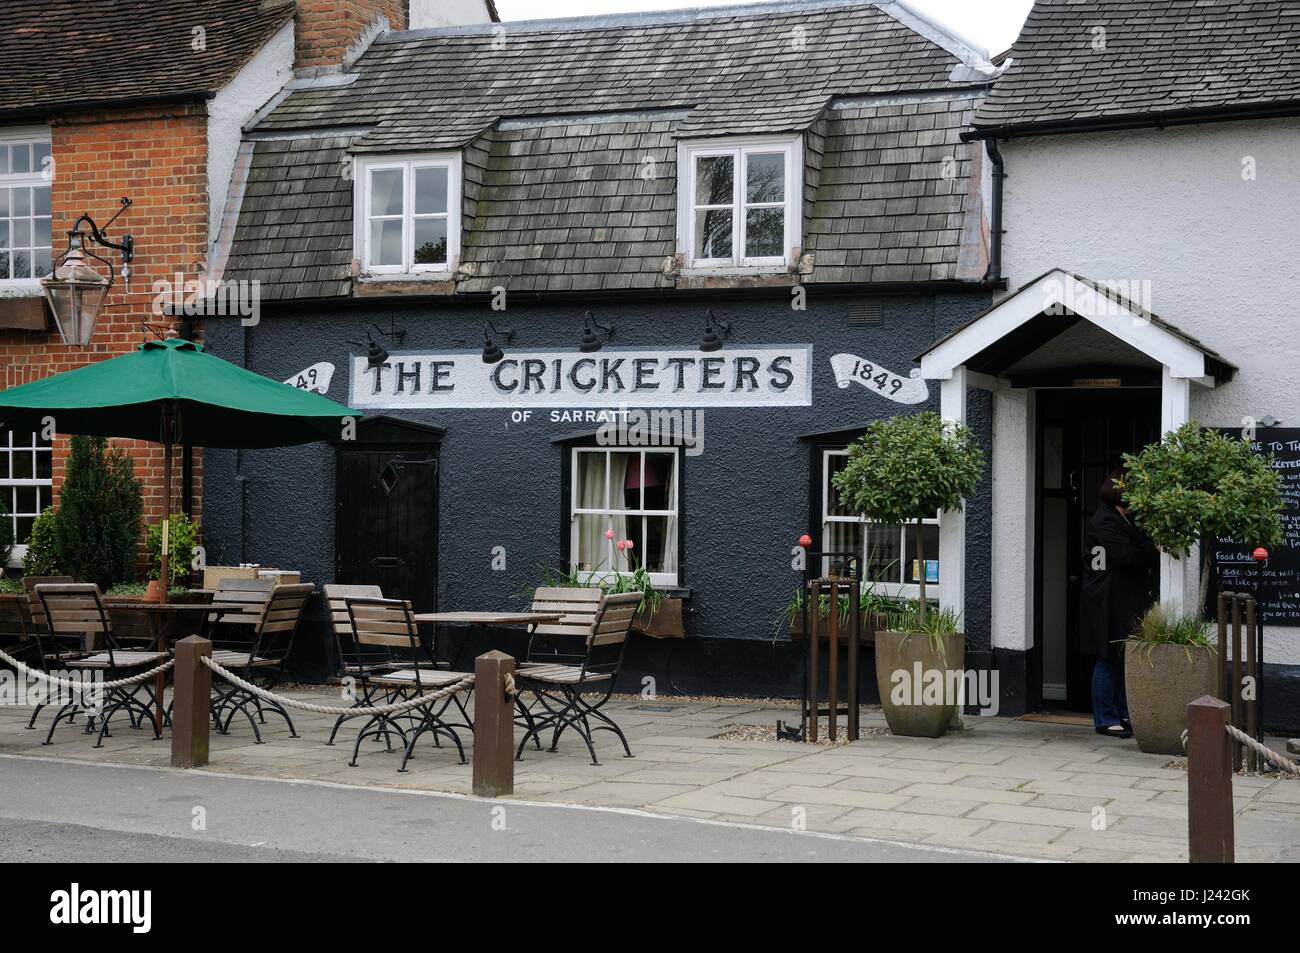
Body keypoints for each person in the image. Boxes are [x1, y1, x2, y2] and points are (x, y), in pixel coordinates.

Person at [1078, 468, 1158, 739]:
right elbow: (1126, 555)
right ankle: (1105, 718)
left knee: (1121, 656)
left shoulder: (1123, 519)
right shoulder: (1106, 521)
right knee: (1108, 656)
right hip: (1106, 598)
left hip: (1119, 596)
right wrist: (1152, 550)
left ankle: (1123, 712)